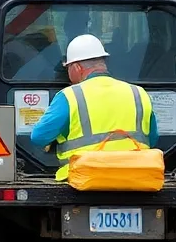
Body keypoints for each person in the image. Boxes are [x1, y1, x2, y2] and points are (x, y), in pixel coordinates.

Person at [28, 34, 158, 181]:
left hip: (85, 178)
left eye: (68, 68)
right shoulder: (138, 93)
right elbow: (152, 139)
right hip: (137, 178)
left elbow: (38, 137)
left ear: (77, 67)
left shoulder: (70, 96)